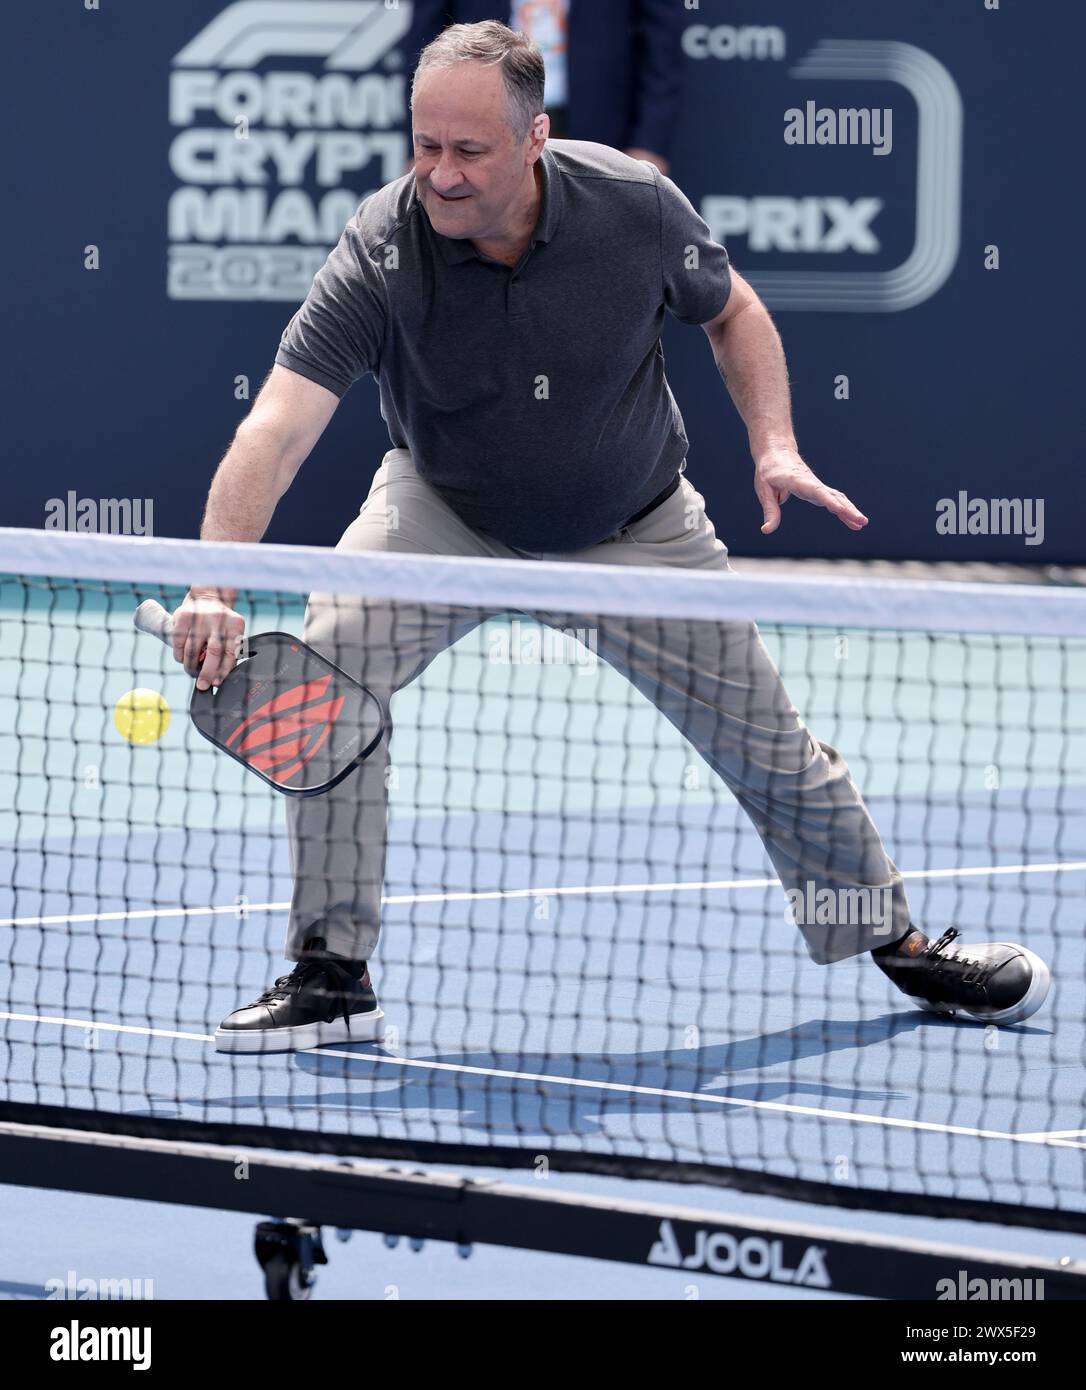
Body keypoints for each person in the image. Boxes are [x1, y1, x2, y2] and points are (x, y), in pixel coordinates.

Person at [169, 22, 1051, 1052]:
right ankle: (331, 970)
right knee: (317, 681)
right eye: (425, 146)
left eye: (469, 150)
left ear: (535, 136)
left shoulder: (632, 207)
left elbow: (734, 310)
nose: (440, 175)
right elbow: (274, 427)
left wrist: (773, 444)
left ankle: (894, 939)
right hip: (443, 510)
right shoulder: (381, 242)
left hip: (635, 522)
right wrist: (216, 589)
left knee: (767, 745)